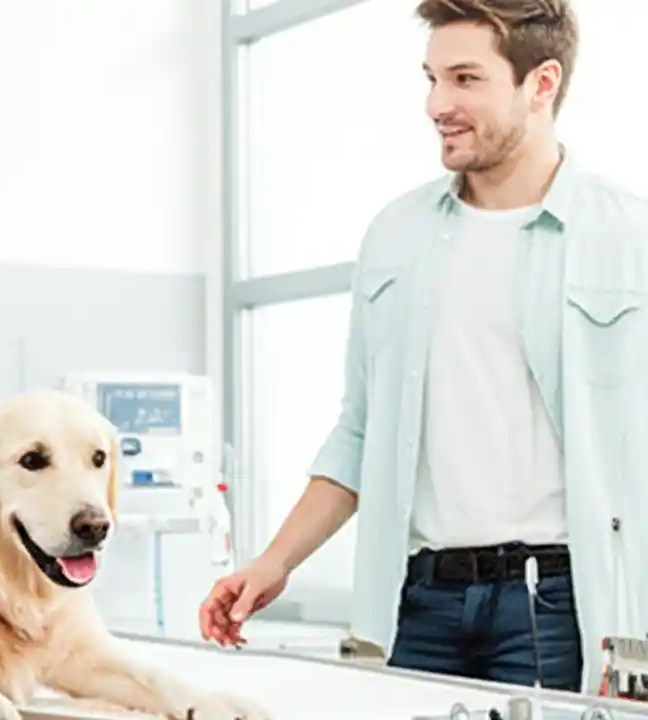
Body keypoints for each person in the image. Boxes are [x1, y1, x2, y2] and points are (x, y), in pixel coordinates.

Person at [200, 0, 647, 695]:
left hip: (556, 605)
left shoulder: (626, 237)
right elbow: (359, 432)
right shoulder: (396, 236)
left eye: (465, 79)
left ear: (541, 83)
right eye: (431, 78)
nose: (439, 103)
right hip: (422, 602)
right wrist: (274, 561)